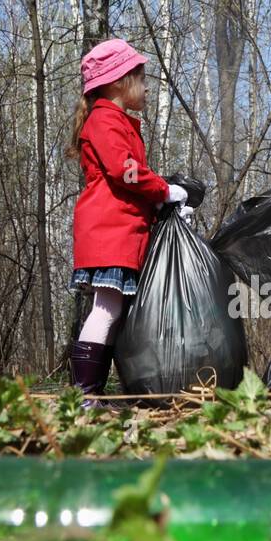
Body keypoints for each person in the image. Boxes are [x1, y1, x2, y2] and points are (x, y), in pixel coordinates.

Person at [67, 38, 192, 406]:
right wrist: (163, 190)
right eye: (141, 77)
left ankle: (90, 393)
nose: (147, 86)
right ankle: (85, 395)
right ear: (119, 81)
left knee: (112, 310)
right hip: (109, 232)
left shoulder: (115, 120)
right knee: (106, 309)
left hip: (119, 231)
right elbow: (124, 172)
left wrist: (157, 203)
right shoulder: (105, 119)